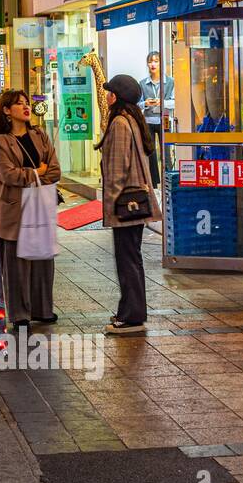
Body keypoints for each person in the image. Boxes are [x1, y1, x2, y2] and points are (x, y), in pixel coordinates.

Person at [0, 89, 61, 329]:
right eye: (19, 104)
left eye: (26, 102)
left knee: (43, 258)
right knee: (16, 264)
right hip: (14, 209)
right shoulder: (1, 142)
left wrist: (34, 174)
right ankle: (20, 314)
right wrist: (37, 172)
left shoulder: (40, 135)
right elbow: (8, 175)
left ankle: (43, 309)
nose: (25, 106)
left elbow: (55, 171)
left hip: (40, 206)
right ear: (7, 111)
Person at [99, 74, 163, 335]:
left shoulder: (120, 124)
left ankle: (132, 316)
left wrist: (111, 206)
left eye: (109, 92)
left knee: (128, 261)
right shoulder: (133, 120)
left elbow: (116, 169)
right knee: (131, 259)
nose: (106, 95)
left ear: (116, 97)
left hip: (126, 204)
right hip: (136, 200)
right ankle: (129, 311)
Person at [138, 51, 174, 189]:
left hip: (164, 120)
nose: (153, 64)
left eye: (156, 61)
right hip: (148, 121)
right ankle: (153, 183)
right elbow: (138, 104)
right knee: (150, 152)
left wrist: (162, 102)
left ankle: (169, 181)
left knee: (166, 152)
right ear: (147, 64)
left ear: (161, 63)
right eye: (150, 61)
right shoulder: (142, 83)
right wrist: (146, 103)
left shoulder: (170, 82)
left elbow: (175, 102)